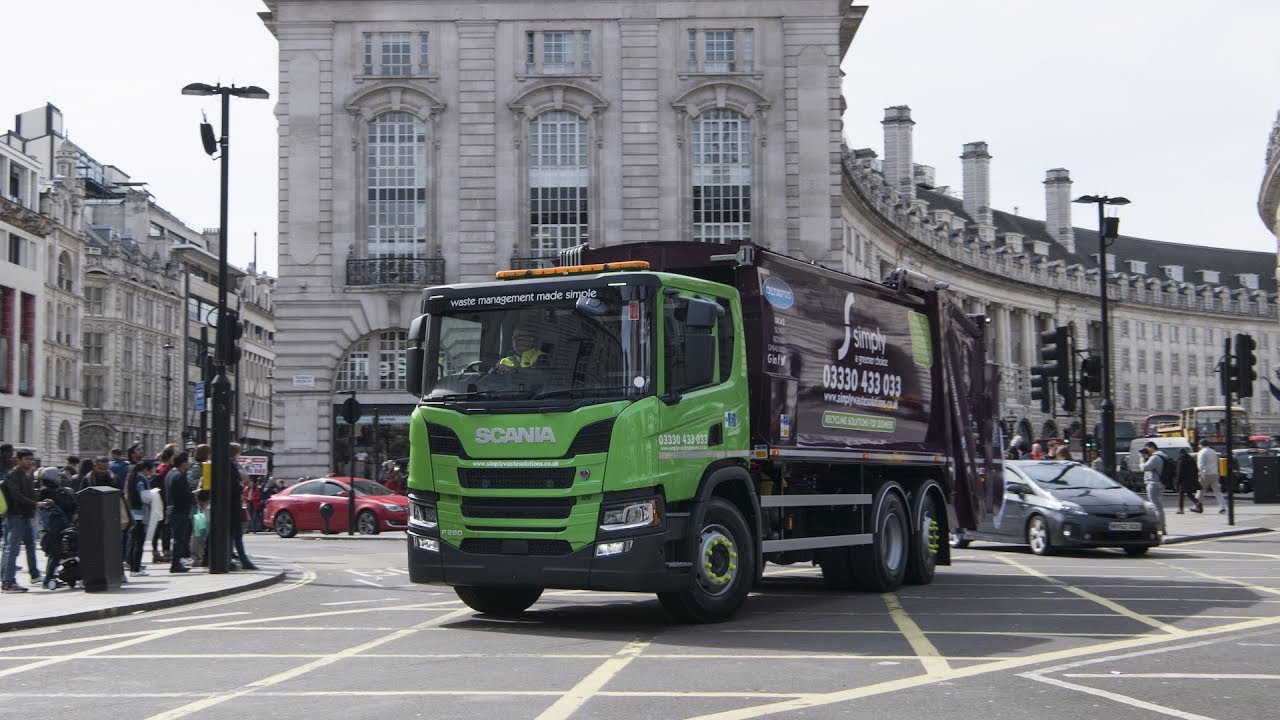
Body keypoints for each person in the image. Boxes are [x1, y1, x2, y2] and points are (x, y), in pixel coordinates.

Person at [2, 449, 43, 593]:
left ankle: (34, 575)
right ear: (18, 460)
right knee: (12, 549)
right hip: (15, 516)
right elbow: (16, 495)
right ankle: (8, 582)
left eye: (31, 459)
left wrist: (38, 501)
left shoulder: (27, 475)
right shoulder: (13, 475)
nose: (30, 462)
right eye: (26, 459)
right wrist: (34, 504)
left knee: (29, 546)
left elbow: (30, 493)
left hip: (25, 516)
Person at [227, 443, 259, 570]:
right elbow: (242, 481)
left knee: (235, 534)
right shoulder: (232, 465)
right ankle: (238, 560)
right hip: (232, 505)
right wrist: (240, 485)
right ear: (236, 453)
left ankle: (240, 559)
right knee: (235, 534)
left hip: (231, 505)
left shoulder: (232, 464)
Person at [125, 461, 156, 576]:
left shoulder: (131, 478)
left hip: (132, 513)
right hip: (140, 514)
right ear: (145, 469)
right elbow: (144, 496)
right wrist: (153, 497)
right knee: (139, 541)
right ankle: (136, 568)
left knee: (133, 541)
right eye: (150, 470)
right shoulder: (141, 479)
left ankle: (133, 566)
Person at [165, 453, 194, 573]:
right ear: (183, 463)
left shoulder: (170, 474)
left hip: (172, 509)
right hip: (180, 510)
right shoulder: (180, 476)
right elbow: (183, 495)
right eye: (188, 461)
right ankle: (175, 564)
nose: (189, 464)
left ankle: (176, 562)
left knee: (177, 538)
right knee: (179, 538)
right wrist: (193, 495)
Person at [1139, 442, 1167, 534]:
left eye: (1147, 448)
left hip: (1154, 483)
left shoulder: (1155, 457)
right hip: (1160, 483)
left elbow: (1144, 468)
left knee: (1156, 507)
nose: (1146, 451)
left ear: (1151, 447)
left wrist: (1142, 458)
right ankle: (1162, 527)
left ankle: (1160, 527)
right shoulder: (1163, 455)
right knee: (1158, 506)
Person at [1195, 439, 1224, 514]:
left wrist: (1200, 473)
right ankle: (1222, 507)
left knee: (1200, 491)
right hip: (1214, 473)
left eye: (1199, 445)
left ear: (1201, 445)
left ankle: (1197, 506)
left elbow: (1201, 464)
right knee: (1217, 491)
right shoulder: (1213, 452)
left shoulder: (1201, 452)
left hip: (1206, 474)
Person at [1175, 447, 1202, 514]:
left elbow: (1179, 472)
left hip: (1183, 481)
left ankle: (1181, 509)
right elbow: (1196, 470)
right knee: (1189, 494)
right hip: (1191, 479)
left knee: (1181, 494)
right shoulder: (1191, 459)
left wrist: (1177, 482)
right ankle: (1198, 503)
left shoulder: (1181, 460)